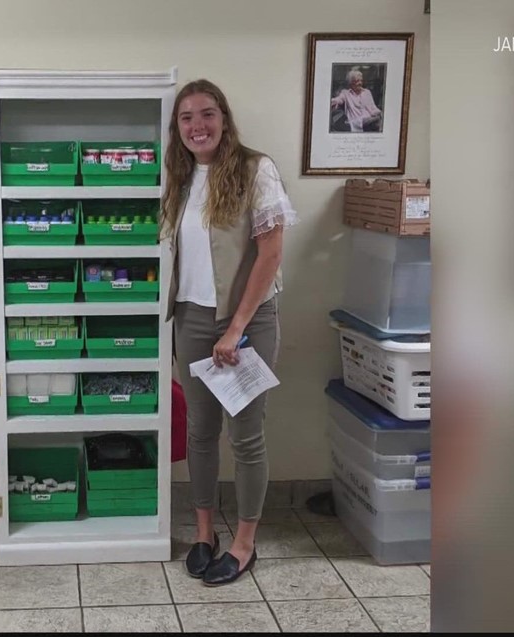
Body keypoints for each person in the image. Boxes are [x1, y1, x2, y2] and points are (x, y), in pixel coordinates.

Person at [160, 79, 299, 586]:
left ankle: (243, 544)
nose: (198, 125)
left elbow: (271, 253)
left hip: (247, 321)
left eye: (208, 114)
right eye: (187, 117)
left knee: (245, 438)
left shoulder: (254, 169)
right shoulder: (177, 175)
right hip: (192, 317)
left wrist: (236, 327)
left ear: (224, 119)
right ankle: (204, 534)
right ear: (178, 128)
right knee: (199, 431)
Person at [330, 69, 383, 133]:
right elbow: (339, 99)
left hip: (370, 119)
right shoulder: (346, 93)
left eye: (361, 80)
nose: (360, 83)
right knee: (372, 121)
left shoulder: (367, 92)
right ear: (351, 83)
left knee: (379, 120)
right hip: (357, 121)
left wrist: (379, 113)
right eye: (357, 81)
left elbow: (373, 108)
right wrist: (334, 101)